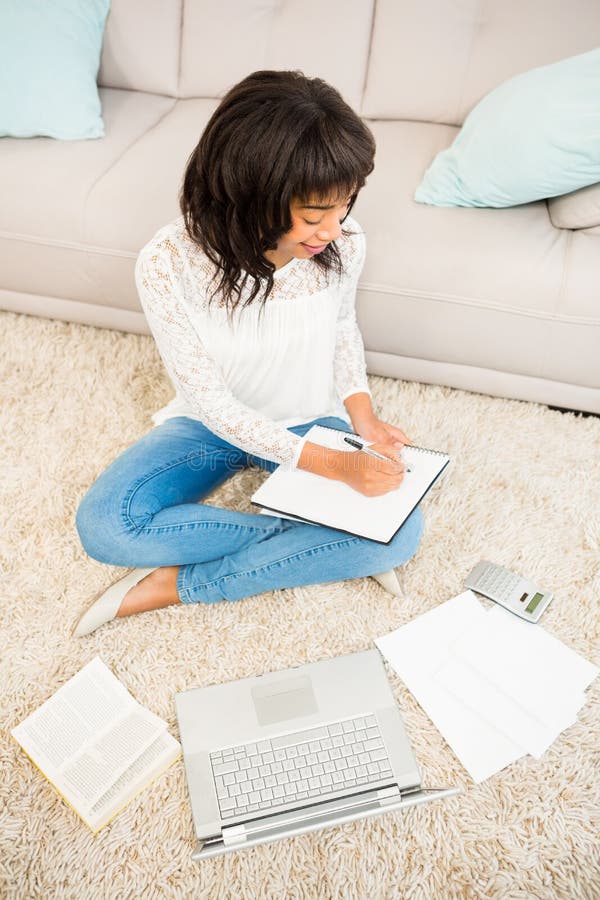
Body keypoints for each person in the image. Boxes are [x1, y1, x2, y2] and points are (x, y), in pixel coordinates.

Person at [73, 70, 423, 637]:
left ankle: (179, 585)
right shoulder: (168, 262)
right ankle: (331, 546)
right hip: (208, 427)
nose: (334, 230)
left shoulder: (345, 241)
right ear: (253, 193)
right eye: (315, 215)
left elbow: (342, 326)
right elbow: (212, 404)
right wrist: (339, 469)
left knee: (402, 533)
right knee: (107, 528)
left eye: (344, 206)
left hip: (309, 420)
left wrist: (363, 417)